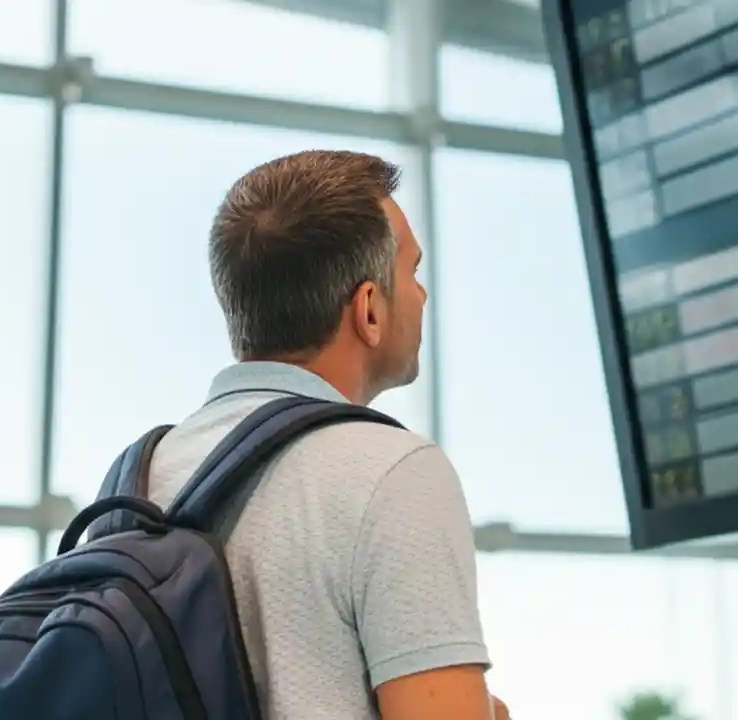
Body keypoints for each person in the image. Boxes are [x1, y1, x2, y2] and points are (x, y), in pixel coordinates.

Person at [144, 149, 507, 719]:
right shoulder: (392, 471)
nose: (422, 293)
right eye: (411, 271)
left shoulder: (140, 475)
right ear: (368, 309)